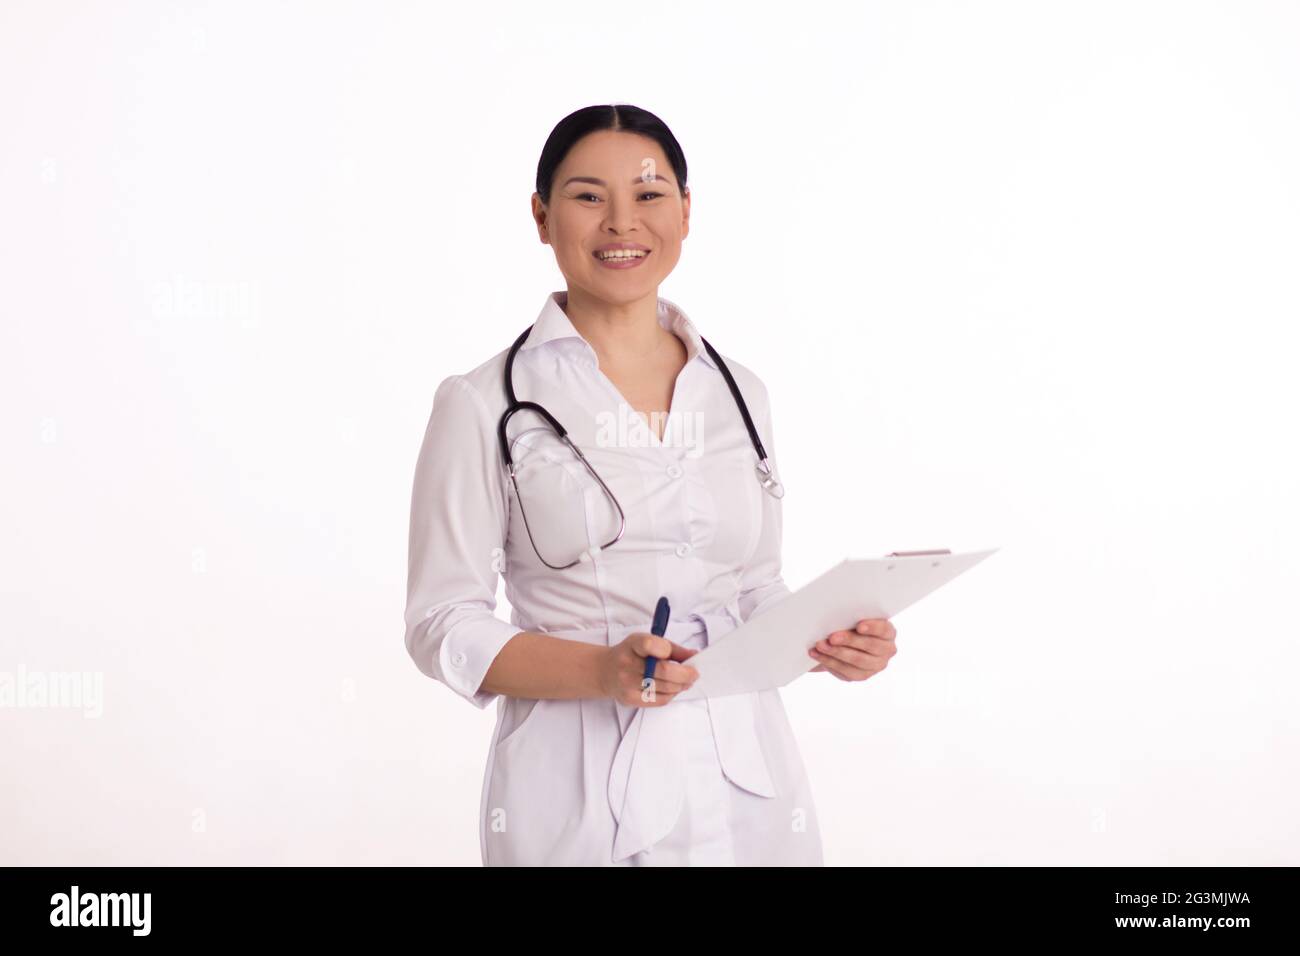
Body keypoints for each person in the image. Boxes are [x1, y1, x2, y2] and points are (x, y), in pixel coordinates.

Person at [404, 104, 899, 866]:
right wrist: (601, 671)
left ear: (687, 210)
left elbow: (753, 589)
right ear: (541, 216)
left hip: (747, 781)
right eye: (588, 196)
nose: (621, 223)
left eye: (648, 194)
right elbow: (441, 621)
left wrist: (830, 640)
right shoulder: (482, 403)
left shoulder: (739, 391)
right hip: (574, 790)